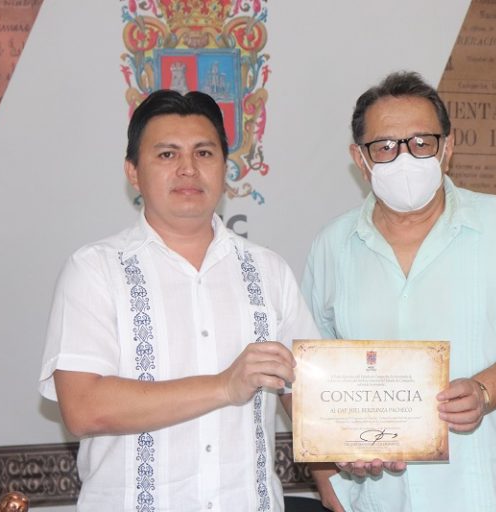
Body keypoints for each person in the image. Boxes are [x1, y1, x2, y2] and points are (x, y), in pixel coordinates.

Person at [301, 71, 496, 512]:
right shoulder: (332, 246)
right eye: (385, 146)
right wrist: (326, 472)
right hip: (380, 500)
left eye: (421, 142)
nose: (405, 158)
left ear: (447, 148)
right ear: (360, 158)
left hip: (494, 498)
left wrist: (485, 390)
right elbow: (308, 371)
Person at [39, 89, 319, 511]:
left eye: (204, 153)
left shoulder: (269, 270)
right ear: (133, 172)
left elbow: (310, 391)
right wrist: (224, 386)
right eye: (167, 154)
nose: (188, 168)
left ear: (225, 167)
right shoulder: (95, 269)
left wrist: (356, 443)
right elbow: (83, 408)